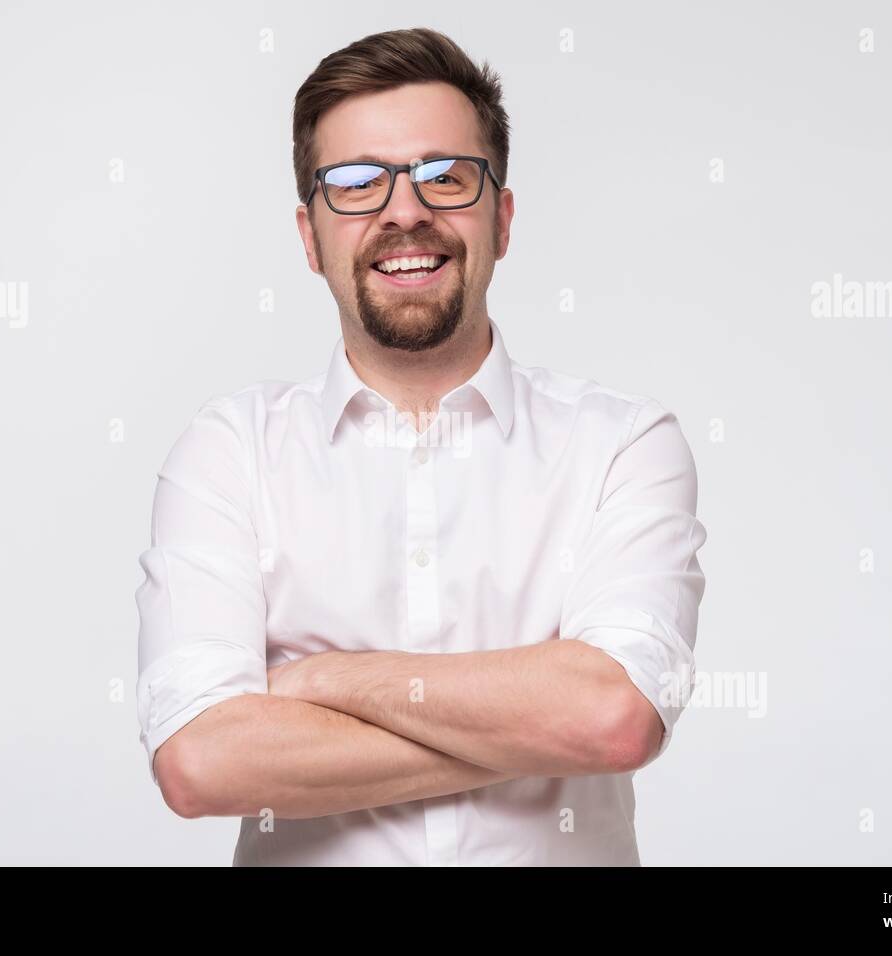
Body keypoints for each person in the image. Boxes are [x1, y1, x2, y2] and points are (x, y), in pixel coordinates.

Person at [134, 27, 707, 866]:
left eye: (446, 176)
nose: (405, 211)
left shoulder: (623, 443)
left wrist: (323, 683)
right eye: (357, 183)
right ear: (309, 236)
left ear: (502, 218)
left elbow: (612, 718)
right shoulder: (229, 453)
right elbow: (202, 762)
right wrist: (529, 726)